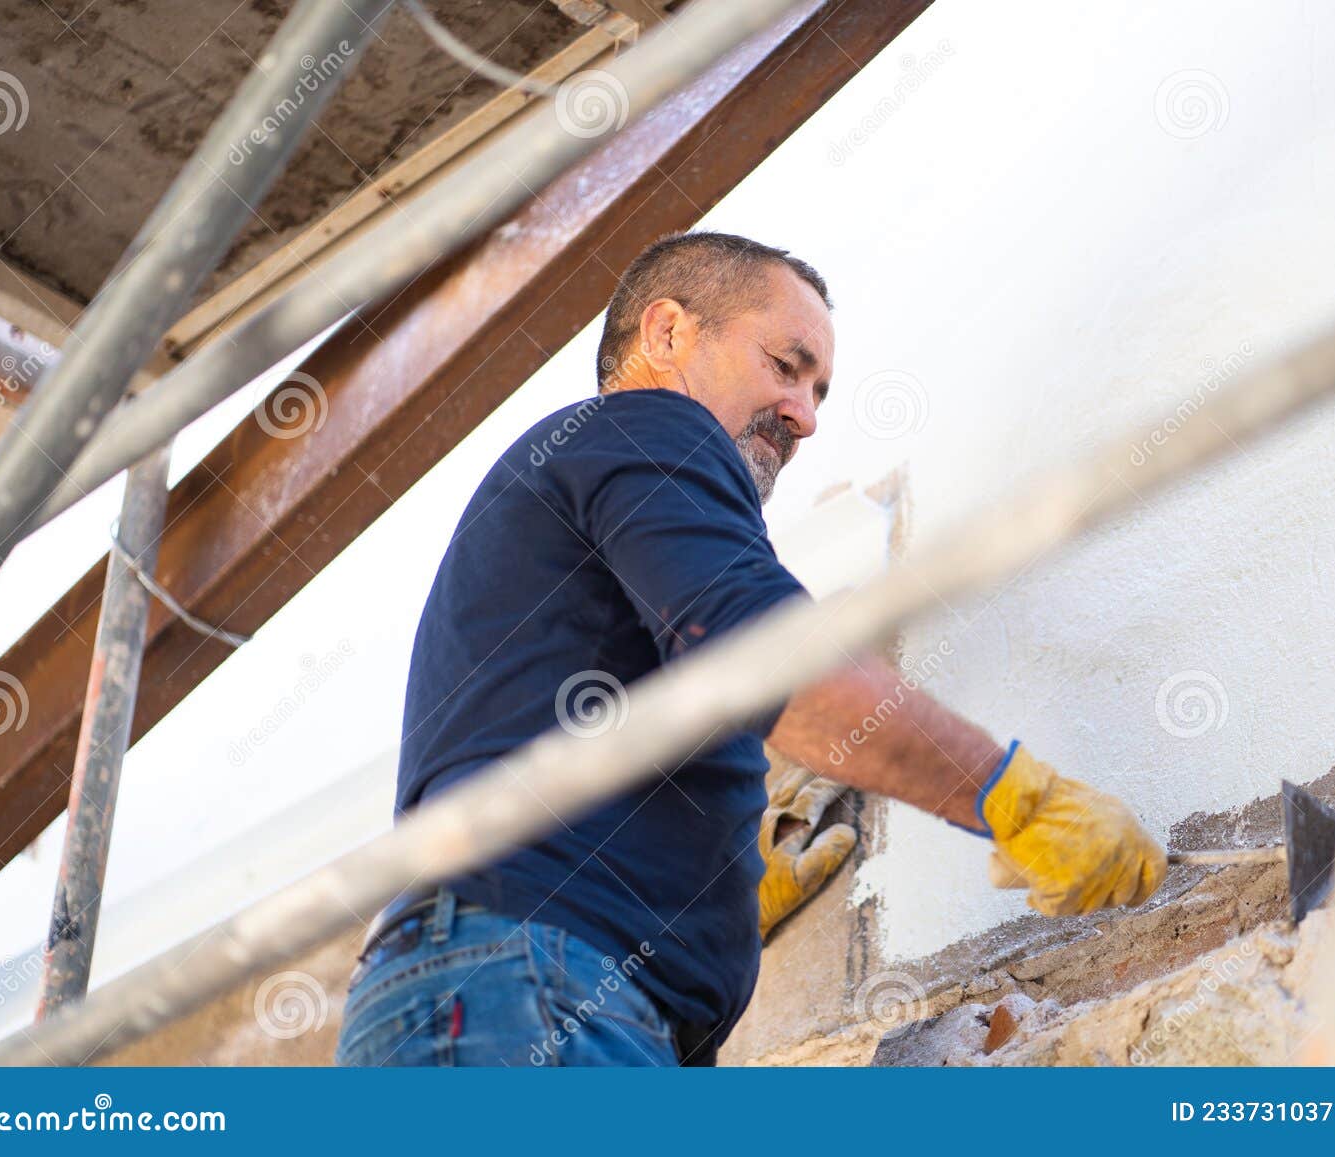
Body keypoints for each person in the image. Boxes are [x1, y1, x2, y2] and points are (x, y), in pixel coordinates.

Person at [335, 232, 1165, 1068]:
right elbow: (764, 658)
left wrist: (704, 894)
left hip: (524, 990)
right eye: (785, 364)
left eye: (818, 392)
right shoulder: (647, 429)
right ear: (666, 334)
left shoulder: (593, 502)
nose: (803, 414)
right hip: (523, 984)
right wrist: (1012, 797)